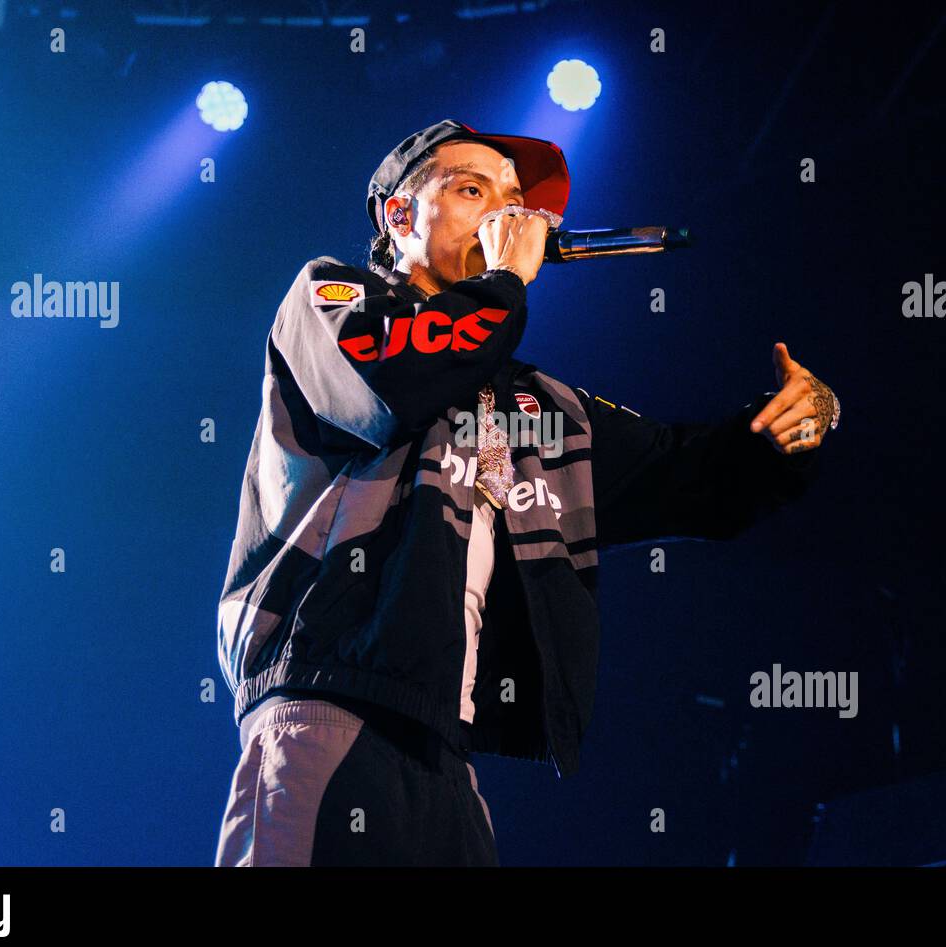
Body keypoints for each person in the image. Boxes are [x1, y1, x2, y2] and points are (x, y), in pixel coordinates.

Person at [213, 119, 839, 866]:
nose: (509, 215)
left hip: (447, 747)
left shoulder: (528, 407)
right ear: (400, 216)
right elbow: (395, 378)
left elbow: (689, 476)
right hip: (329, 707)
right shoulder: (330, 298)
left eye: (517, 201)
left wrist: (788, 431)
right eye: (473, 190)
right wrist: (504, 283)